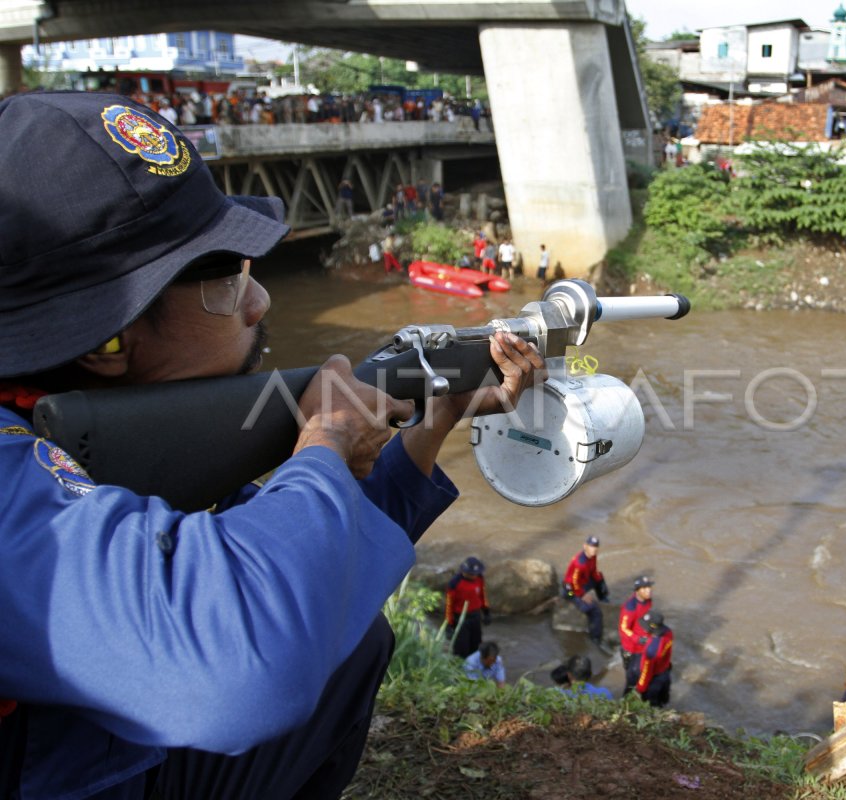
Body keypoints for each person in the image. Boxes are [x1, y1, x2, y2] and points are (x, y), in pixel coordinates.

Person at [0, 91, 544, 799]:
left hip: (73, 755)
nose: (258, 303)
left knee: (348, 640)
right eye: (227, 280)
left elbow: (289, 560)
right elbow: (238, 662)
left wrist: (431, 420)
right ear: (109, 341)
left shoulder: (96, 432)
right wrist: (322, 444)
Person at [563, 535, 608, 649]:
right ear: (585, 546)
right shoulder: (580, 562)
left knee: (599, 578)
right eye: (592, 546)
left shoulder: (592, 557)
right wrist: (582, 595)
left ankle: (603, 598)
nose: (594, 549)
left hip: (582, 583)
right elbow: (574, 582)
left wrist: (600, 582)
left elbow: (593, 571)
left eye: (596, 547)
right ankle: (595, 638)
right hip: (570, 590)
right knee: (594, 610)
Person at [446, 556, 491, 659]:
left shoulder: (480, 578)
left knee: (476, 645)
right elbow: (449, 605)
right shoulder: (454, 583)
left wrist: (486, 612)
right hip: (461, 619)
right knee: (461, 649)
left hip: (475, 616)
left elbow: (482, 595)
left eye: (475, 574)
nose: (473, 576)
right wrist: (449, 625)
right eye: (471, 574)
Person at [630, 611, 672, 707]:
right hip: (665, 672)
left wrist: (639, 689)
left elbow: (646, 673)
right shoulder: (668, 632)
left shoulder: (651, 651)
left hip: (654, 680)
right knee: (664, 699)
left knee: (651, 704)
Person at [619, 576, 654, 673]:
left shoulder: (648, 600)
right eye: (645, 588)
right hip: (632, 649)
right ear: (637, 590)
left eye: (649, 587)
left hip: (645, 644)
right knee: (632, 674)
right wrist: (638, 639)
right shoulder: (630, 608)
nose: (649, 590)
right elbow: (624, 629)